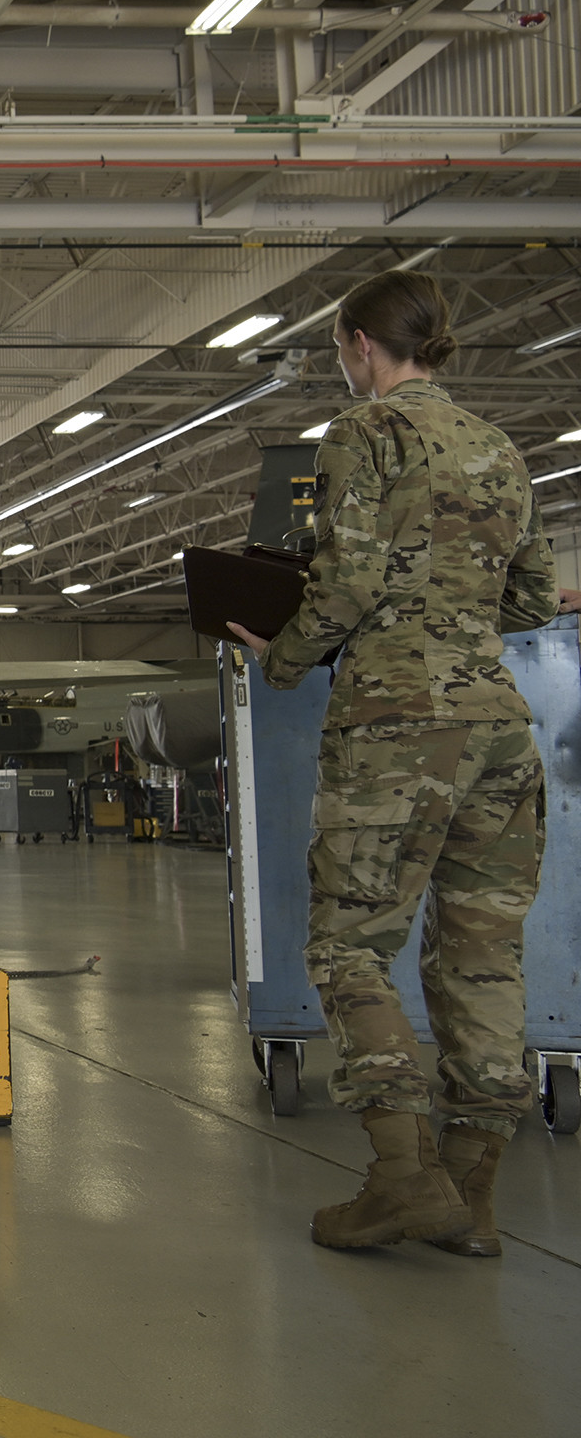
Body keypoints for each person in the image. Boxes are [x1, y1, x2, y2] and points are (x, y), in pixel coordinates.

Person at [226, 270, 559, 1255]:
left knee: (347, 948)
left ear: (360, 344)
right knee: (482, 956)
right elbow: (533, 597)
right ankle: (473, 1195)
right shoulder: (497, 447)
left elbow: (350, 578)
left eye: (339, 346)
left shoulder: (361, 434)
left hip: (396, 729)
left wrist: (281, 654)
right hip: (498, 732)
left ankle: (403, 1178)